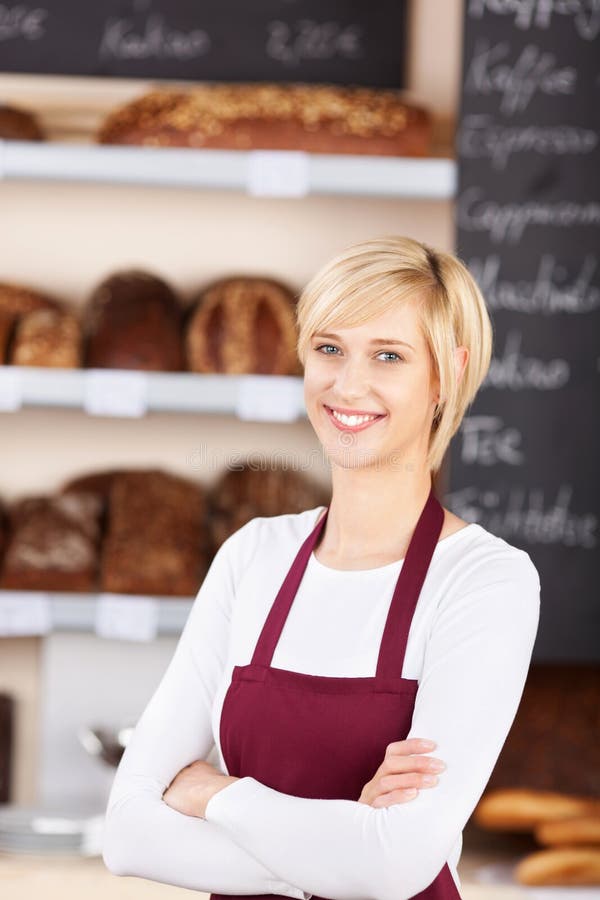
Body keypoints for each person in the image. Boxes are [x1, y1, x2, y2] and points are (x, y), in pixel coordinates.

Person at [102, 236, 541, 900]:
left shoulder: (485, 581)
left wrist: (215, 794)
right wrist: (344, 847)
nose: (347, 385)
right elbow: (128, 835)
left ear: (446, 375)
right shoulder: (255, 555)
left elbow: (399, 867)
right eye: (329, 349)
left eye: (388, 356)